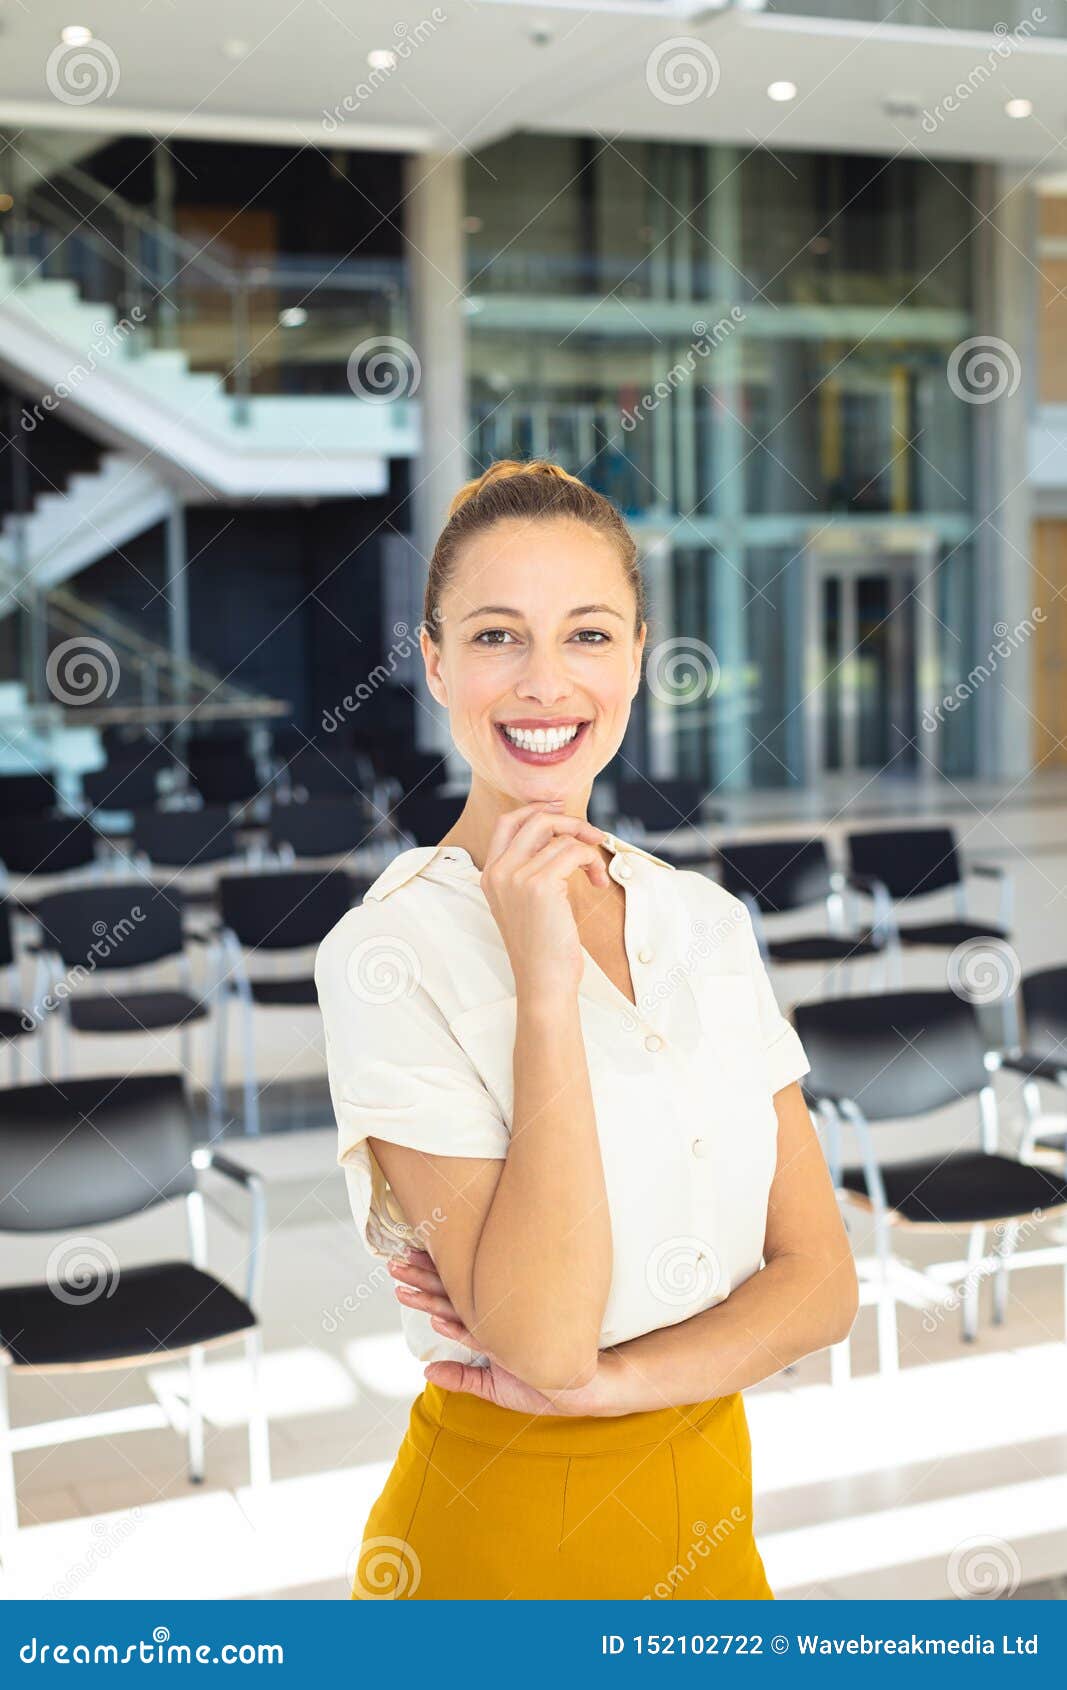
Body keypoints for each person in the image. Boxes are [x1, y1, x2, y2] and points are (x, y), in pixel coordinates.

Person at [314, 459, 858, 1601]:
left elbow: (819, 1284)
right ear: (434, 662)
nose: (545, 683)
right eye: (499, 635)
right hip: (495, 1540)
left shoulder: (702, 921)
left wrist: (615, 1384)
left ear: (639, 657)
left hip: (710, 1516)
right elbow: (541, 1342)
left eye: (589, 634)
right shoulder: (384, 952)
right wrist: (542, 986)